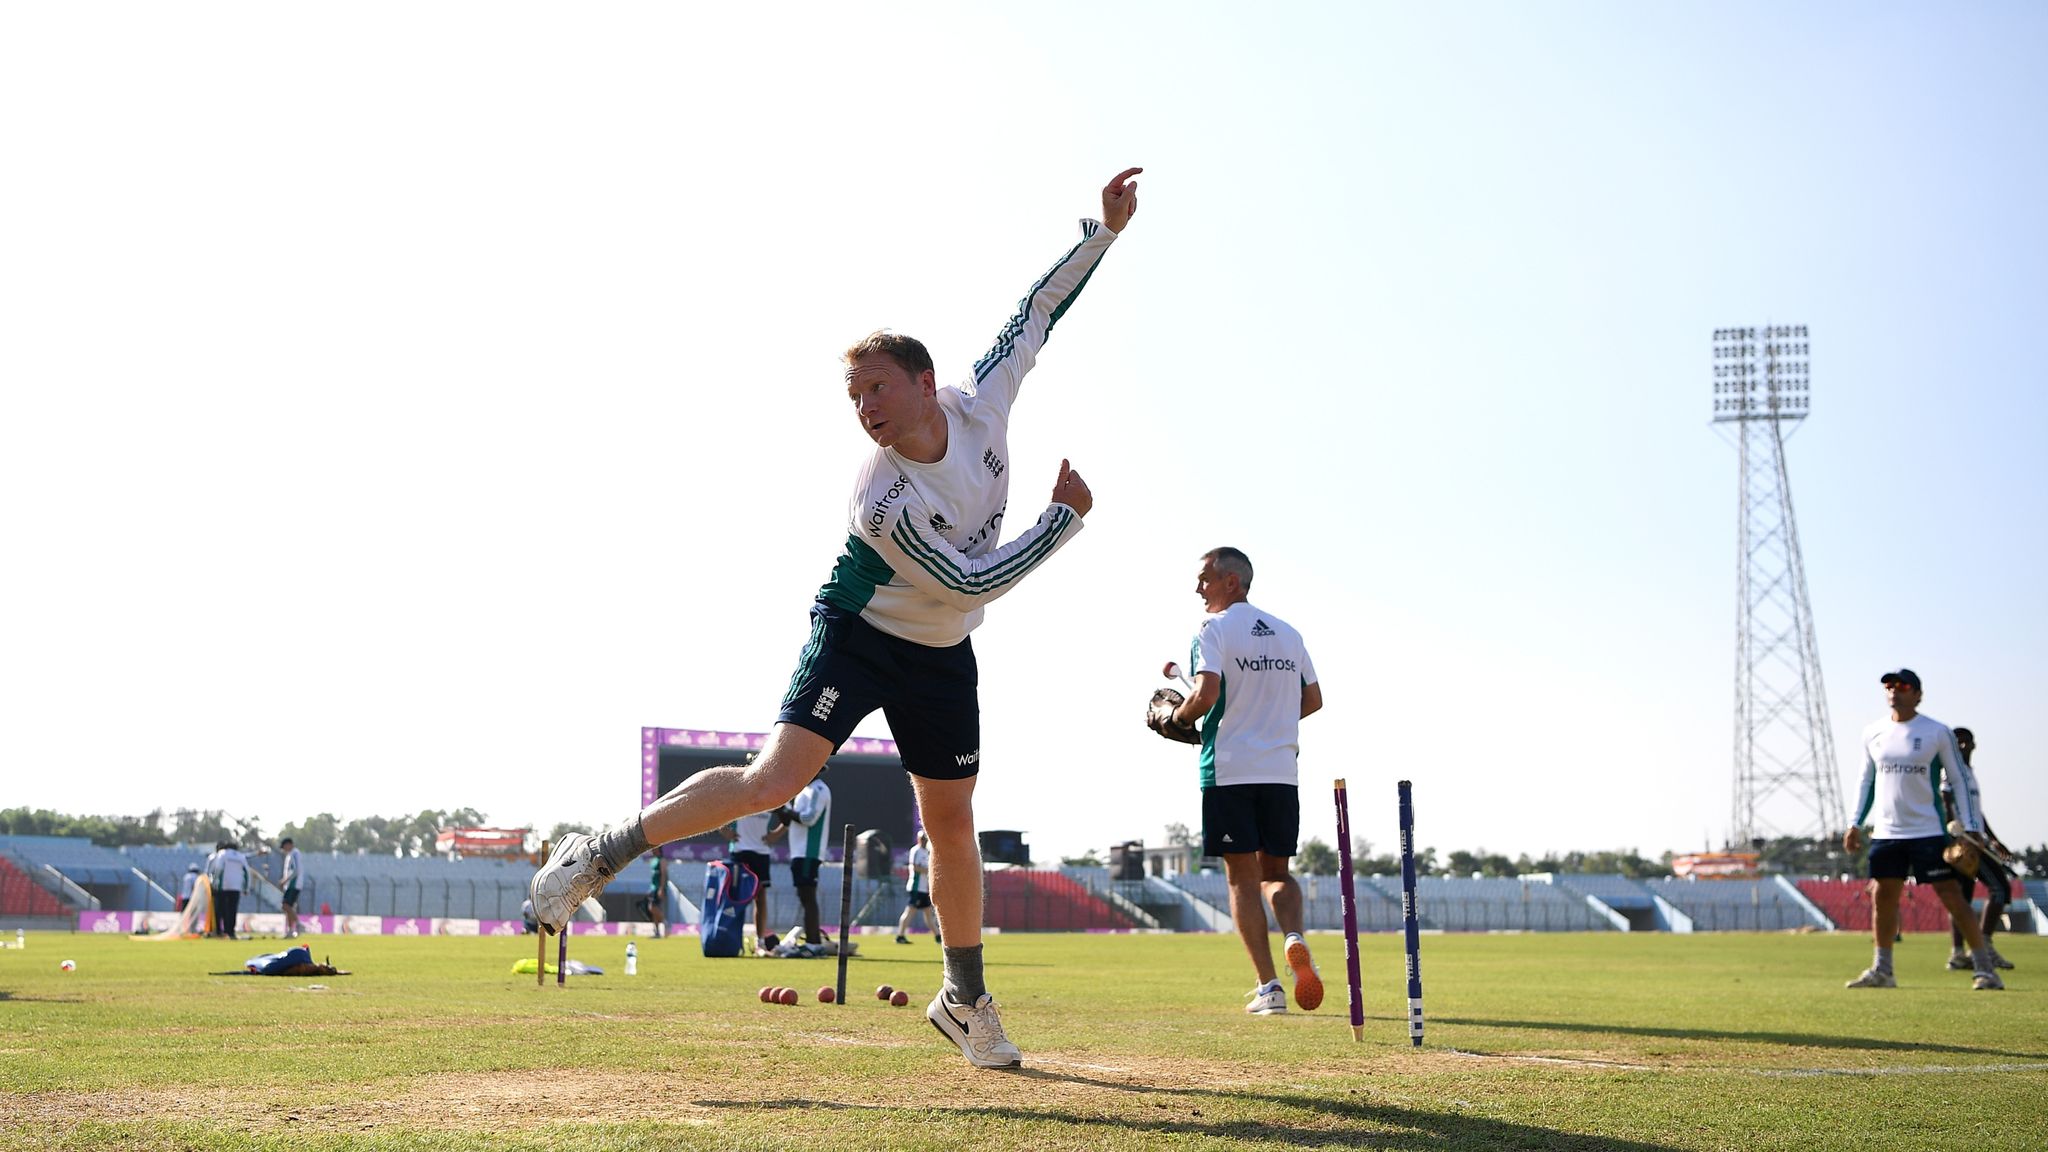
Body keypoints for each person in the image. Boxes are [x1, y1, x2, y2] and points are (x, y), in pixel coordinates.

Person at [529, 168, 1142, 1069]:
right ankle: (602, 853)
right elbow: (970, 582)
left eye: (877, 389)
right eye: (853, 399)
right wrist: (1061, 522)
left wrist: (1107, 232)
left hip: (940, 652)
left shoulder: (983, 401)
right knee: (774, 778)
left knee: (954, 825)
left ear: (926, 381)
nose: (865, 411)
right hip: (861, 632)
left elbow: (1038, 311)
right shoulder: (881, 495)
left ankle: (966, 1000)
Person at [1163, 547, 1323, 1015]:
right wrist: (1270, 721)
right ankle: (1294, 936)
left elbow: (1206, 692)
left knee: (1241, 881)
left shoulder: (1212, 629)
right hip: (1280, 771)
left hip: (1230, 770)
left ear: (1231, 581)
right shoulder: (1290, 634)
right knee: (1277, 873)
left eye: (1205, 578)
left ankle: (1269, 986)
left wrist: (1178, 717)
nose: (1198, 588)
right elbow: (1312, 699)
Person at [1843, 669, 2003, 991]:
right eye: (1889, 686)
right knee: (1883, 897)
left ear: (1917, 694)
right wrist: (1855, 823)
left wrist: (1970, 828)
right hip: (1888, 833)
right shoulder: (1873, 732)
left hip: (1927, 831)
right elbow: (1867, 781)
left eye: (1902, 686)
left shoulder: (1935, 731)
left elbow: (1958, 778)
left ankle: (1985, 969)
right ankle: (1883, 969)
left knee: (1951, 896)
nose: (1894, 691)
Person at [1944, 727, 2016, 973]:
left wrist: (1994, 839)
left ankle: (1959, 954)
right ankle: (1981, 945)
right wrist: (1952, 831)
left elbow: (1977, 813)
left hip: (1978, 839)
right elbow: (1945, 801)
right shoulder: (1951, 772)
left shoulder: (1969, 774)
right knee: (1999, 887)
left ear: (1974, 745)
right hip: (1963, 842)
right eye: (1958, 743)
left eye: (1966, 742)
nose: (1963, 747)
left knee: (1962, 898)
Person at [780, 766, 834, 951]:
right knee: (804, 896)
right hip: (800, 851)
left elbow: (809, 818)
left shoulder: (818, 789)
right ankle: (812, 941)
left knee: (808, 896)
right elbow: (790, 819)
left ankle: (813, 943)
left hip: (808, 851)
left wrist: (786, 811)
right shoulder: (805, 790)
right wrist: (782, 810)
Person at [724, 807, 780, 954]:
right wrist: (723, 830)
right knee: (735, 898)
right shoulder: (739, 792)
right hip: (739, 851)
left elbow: (787, 816)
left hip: (761, 853)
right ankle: (732, 939)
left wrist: (775, 835)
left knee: (760, 898)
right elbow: (718, 809)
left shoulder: (771, 795)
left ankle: (760, 942)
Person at [897, 828, 935, 944]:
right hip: (916, 887)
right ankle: (900, 935)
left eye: (925, 839)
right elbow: (915, 867)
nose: (923, 841)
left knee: (928, 913)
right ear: (918, 839)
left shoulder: (928, 852)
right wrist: (929, 871)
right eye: (922, 839)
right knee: (910, 911)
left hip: (924, 888)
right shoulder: (916, 851)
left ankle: (937, 935)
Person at [205, 840, 249, 940]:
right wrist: (246, 887)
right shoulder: (240, 856)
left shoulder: (222, 854)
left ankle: (218, 931)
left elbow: (219, 869)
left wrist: (216, 883)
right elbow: (247, 872)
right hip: (236, 887)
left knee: (220, 909)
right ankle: (230, 932)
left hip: (223, 886)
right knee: (232, 910)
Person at [277, 837, 304, 938]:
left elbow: (295, 870)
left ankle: (298, 924)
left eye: (284, 847)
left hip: (294, 884)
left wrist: (285, 880)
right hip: (291, 884)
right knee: (288, 907)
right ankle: (290, 930)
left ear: (289, 844)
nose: (283, 849)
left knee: (285, 905)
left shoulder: (295, 853)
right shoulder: (290, 855)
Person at [643, 854, 667, 939]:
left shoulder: (662, 860)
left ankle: (665, 922)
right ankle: (657, 932)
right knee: (652, 910)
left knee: (652, 907)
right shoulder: (653, 860)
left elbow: (664, 874)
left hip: (658, 888)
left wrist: (661, 888)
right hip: (653, 888)